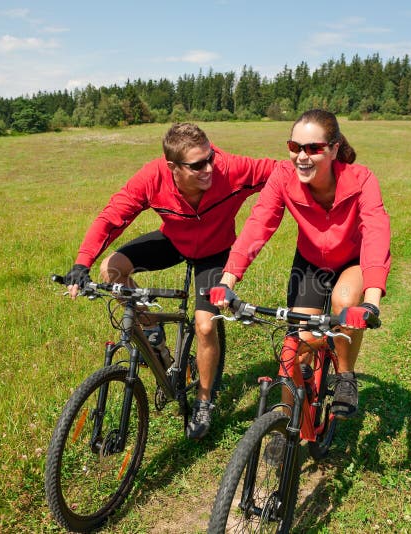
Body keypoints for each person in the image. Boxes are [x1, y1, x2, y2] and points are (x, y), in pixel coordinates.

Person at [62, 122, 278, 439]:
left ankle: (204, 400)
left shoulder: (229, 168)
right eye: (197, 164)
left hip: (215, 253)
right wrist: (82, 263)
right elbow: (112, 217)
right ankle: (153, 333)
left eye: (210, 158)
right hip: (174, 241)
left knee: (205, 325)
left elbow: (284, 173)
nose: (209, 168)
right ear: (172, 167)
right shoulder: (153, 177)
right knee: (111, 268)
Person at [210, 109, 391, 418]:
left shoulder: (361, 179)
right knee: (296, 347)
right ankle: (283, 426)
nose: (302, 157)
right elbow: (258, 225)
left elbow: (375, 232)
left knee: (345, 301)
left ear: (334, 149)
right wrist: (227, 282)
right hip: (310, 264)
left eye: (313, 148)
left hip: (352, 261)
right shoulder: (283, 176)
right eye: (295, 147)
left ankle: (345, 376)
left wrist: (371, 302)